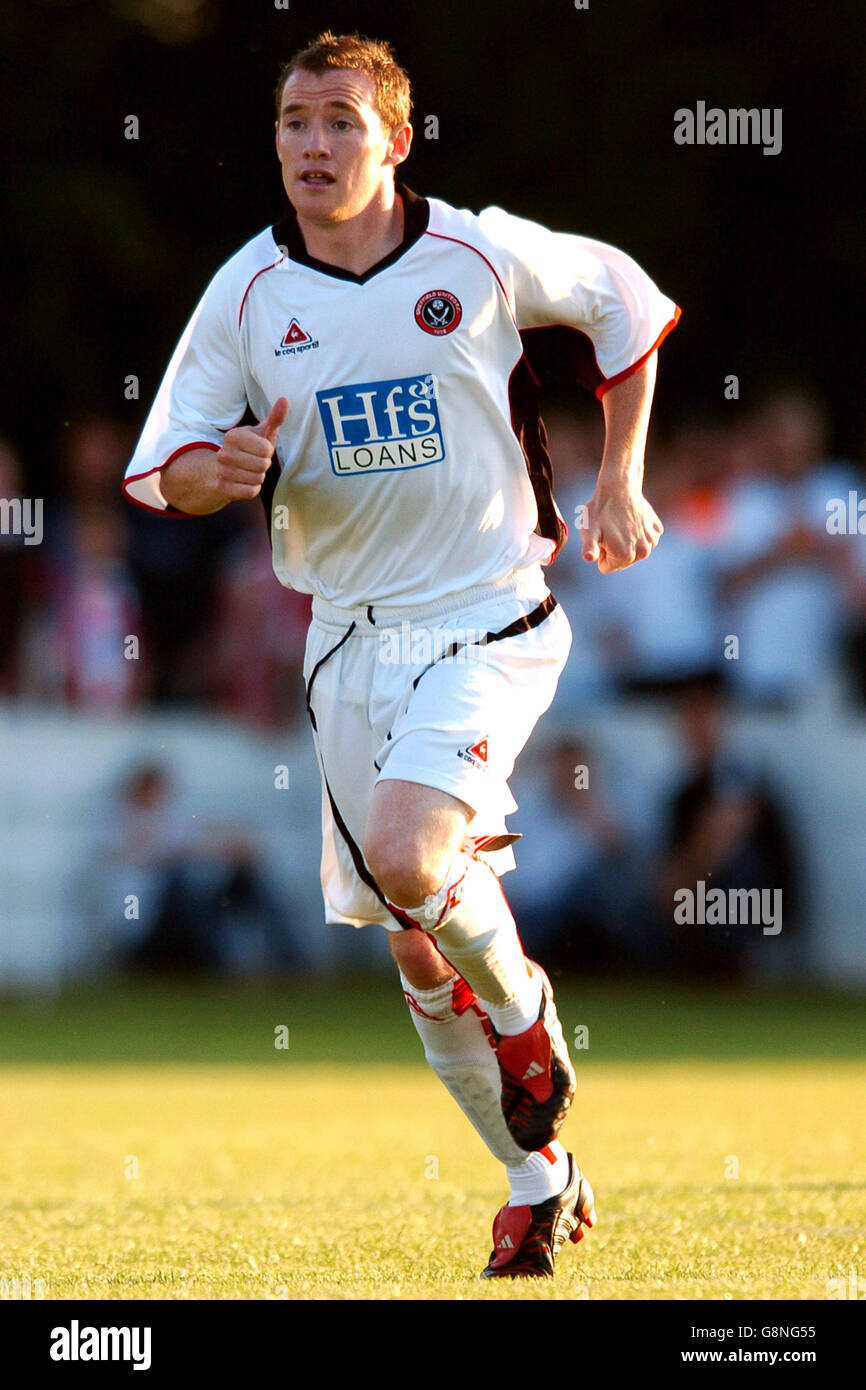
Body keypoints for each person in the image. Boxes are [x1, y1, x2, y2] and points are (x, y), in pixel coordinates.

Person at [123, 30, 679, 1279]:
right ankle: (537, 1179)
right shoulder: (248, 292)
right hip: (345, 645)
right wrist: (220, 474)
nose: (311, 145)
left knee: (411, 855)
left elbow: (625, 306)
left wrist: (618, 483)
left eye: (336, 121)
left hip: (486, 615)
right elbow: (166, 467)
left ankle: (531, 1018)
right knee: (414, 946)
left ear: (395, 138)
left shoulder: (472, 249)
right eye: (291, 123)